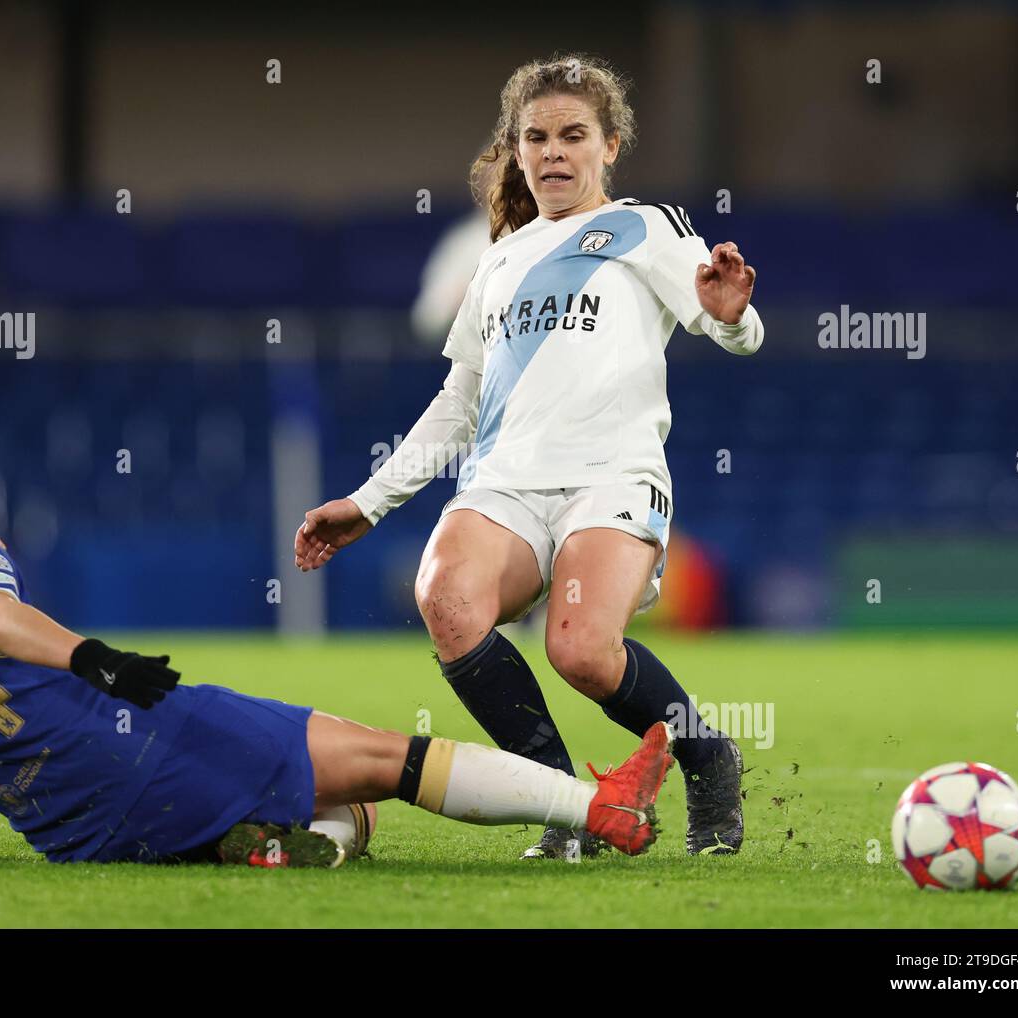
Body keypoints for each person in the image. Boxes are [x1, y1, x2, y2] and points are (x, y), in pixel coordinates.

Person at [295, 54, 761, 859]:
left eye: (573, 135)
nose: (553, 152)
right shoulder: (498, 260)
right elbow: (459, 402)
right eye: (536, 137)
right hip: (506, 482)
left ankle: (706, 755)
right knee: (445, 598)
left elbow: (733, 328)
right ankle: (564, 805)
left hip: (610, 477)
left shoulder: (646, 227)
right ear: (517, 149)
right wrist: (368, 503)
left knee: (578, 651)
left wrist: (731, 317)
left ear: (609, 145)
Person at [0, 460, 675, 867]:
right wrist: (97, 660)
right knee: (383, 763)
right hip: (134, 742)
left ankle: (269, 849)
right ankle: (597, 807)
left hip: (75, 837)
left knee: (340, 812)